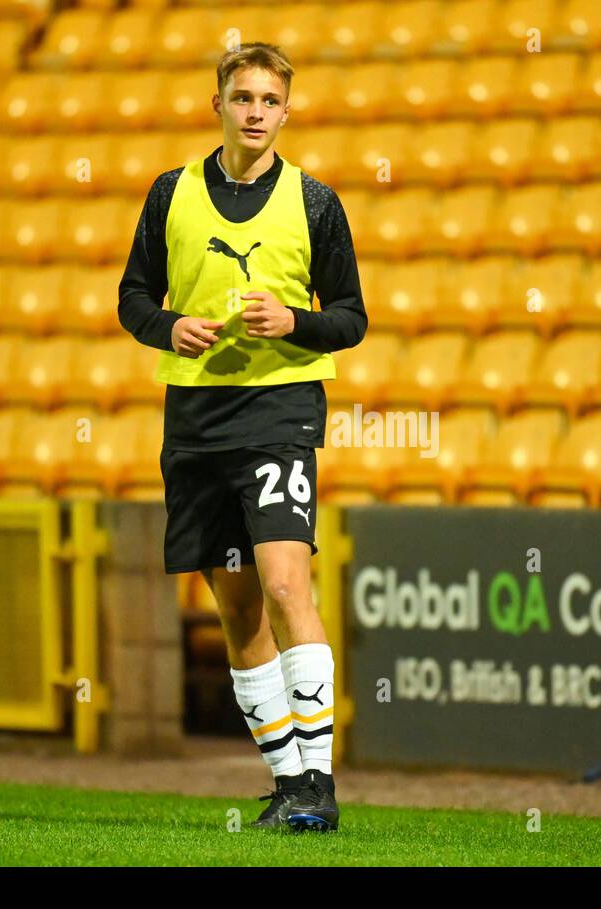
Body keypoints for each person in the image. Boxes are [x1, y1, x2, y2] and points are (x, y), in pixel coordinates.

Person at [117, 41, 368, 832]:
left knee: (288, 585)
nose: (256, 112)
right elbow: (131, 297)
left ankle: (320, 785)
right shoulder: (170, 194)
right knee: (236, 609)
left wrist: (295, 321)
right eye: (243, 98)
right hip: (196, 421)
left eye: (270, 101)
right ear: (217, 104)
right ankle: (289, 785)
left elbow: (352, 318)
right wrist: (167, 326)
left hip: (278, 410)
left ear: (287, 111)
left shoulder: (316, 202)